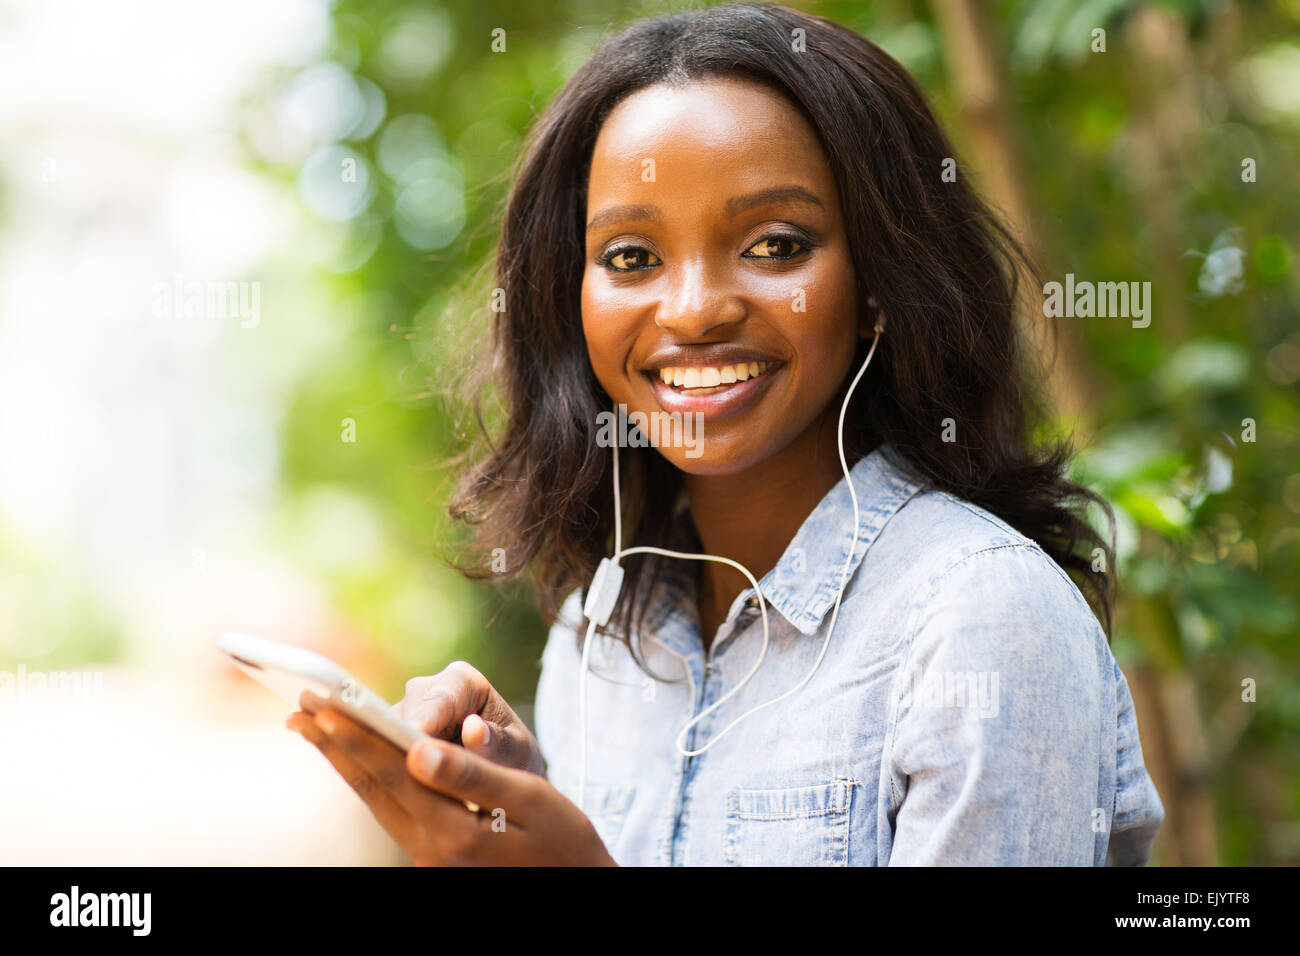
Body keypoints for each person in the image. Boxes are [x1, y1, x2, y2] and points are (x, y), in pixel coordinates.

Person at [288, 1, 1165, 866]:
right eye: (631, 257)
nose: (695, 309)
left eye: (776, 245)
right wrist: (519, 803)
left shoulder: (982, 620)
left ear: (877, 283)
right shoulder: (598, 642)